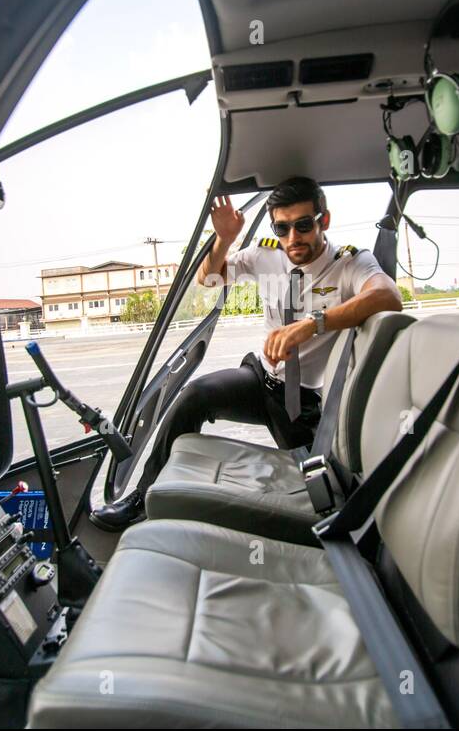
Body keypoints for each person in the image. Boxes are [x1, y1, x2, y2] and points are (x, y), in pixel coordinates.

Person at [90, 175, 404, 531]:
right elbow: (209, 279)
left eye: (303, 226)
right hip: (263, 380)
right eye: (282, 228)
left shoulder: (350, 263)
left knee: (324, 496)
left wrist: (311, 324)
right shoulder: (266, 254)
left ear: (324, 221)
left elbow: (388, 297)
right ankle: (142, 498)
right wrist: (224, 239)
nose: (292, 238)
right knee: (194, 396)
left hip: (305, 402)